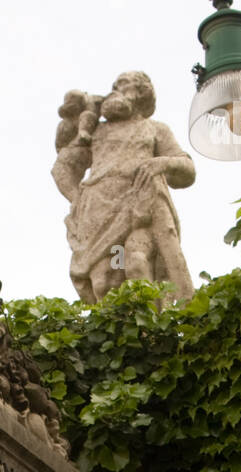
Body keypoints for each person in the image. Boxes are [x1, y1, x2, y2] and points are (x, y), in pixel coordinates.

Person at [52, 71, 196, 303]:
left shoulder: (154, 129)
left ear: (141, 93)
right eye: (115, 85)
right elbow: (62, 167)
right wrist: (77, 198)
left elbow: (187, 171)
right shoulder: (97, 132)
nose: (116, 90)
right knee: (104, 283)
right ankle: (119, 335)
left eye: (124, 85)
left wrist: (161, 163)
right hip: (98, 214)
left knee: (137, 261)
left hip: (140, 208)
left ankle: (152, 332)